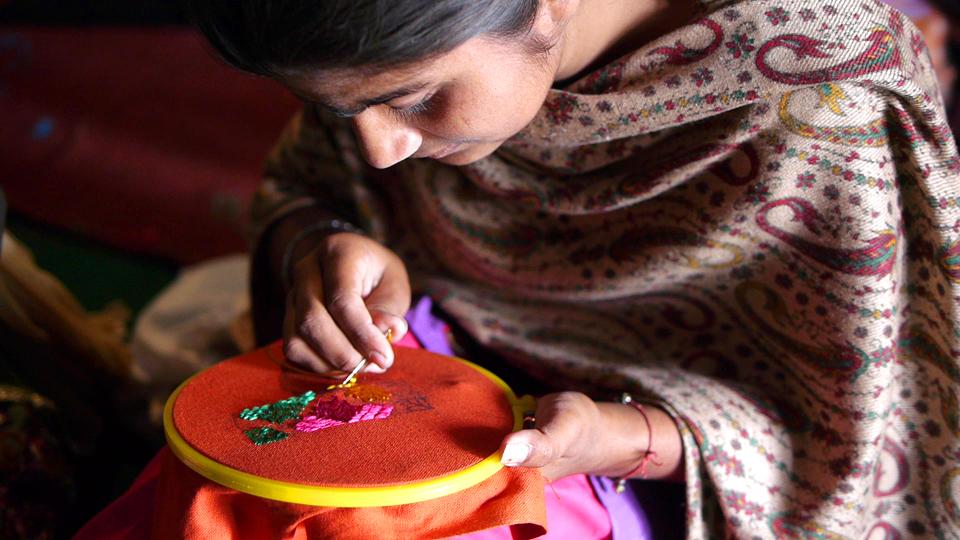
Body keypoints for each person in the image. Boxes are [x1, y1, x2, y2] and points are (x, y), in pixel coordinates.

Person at [185, 0, 960, 537]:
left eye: (415, 99)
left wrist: (618, 440)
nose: (380, 150)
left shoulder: (826, 98)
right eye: (344, 114)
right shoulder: (386, 41)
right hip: (447, 372)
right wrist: (321, 242)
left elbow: (855, 443)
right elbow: (312, 185)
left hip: (669, 479)